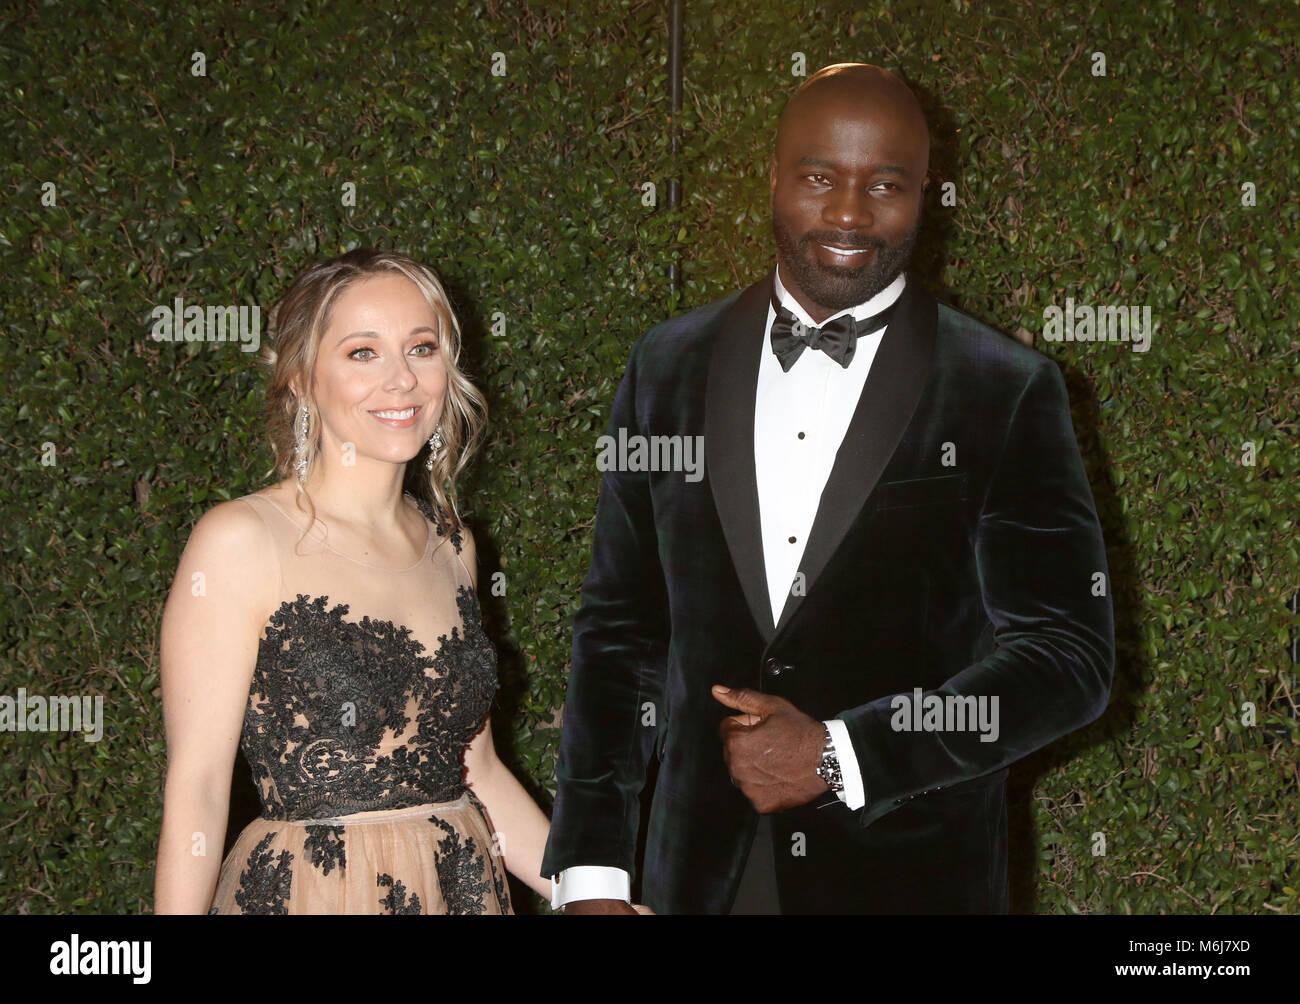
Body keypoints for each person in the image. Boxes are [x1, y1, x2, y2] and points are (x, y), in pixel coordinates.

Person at [542, 64, 1115, 914]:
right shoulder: (665, 367)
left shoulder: (1006, 388)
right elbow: (621, 628)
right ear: (772, 177)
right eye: (820, 178)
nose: (851, 213)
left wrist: (847, 754)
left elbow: (1068, 660)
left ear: (926, 193)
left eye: (886, 184)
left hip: (910, 881)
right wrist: (592, 870)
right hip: (696, 880)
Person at [154, 248, 551, 913]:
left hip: (460, 890)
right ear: (303, 378)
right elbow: (197, 788)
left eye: (420, 348)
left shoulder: (453, 546)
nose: (401, 380)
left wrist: (597, 895)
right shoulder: (242, 540)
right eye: (363, 353)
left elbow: (475, 772)